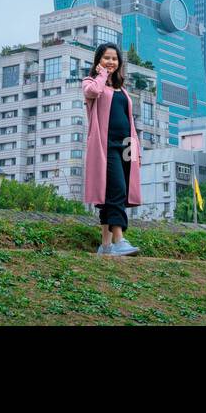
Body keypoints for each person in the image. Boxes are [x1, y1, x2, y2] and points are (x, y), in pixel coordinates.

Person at [82, 42, 142, 256]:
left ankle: (105, 246)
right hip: (104, 146)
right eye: (106, 58)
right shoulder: (91, 82)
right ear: (99, 60)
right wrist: (100, 75)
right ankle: (119, 240)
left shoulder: (122, 90)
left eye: (114, 59)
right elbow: (94, 91)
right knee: (117, 189)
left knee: (114, 193)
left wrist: (136, 152)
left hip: (126, 146)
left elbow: (130, 122)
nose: (111, 62)